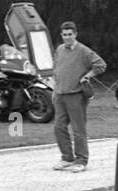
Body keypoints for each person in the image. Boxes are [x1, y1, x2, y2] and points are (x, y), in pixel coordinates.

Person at [50, 21, 105, 173]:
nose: (67, 37)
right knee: (58, 127)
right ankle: (67, 158)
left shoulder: (83, 50)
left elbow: (101, 65)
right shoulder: (60, 49)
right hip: (60, 94)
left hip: (76, 95)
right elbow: (57, 68)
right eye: (64, 34)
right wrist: (55, 87)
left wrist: (88, 76)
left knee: (78, 129)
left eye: (70, 34)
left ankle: (81, 160)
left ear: (75, 34)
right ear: (61, 35)